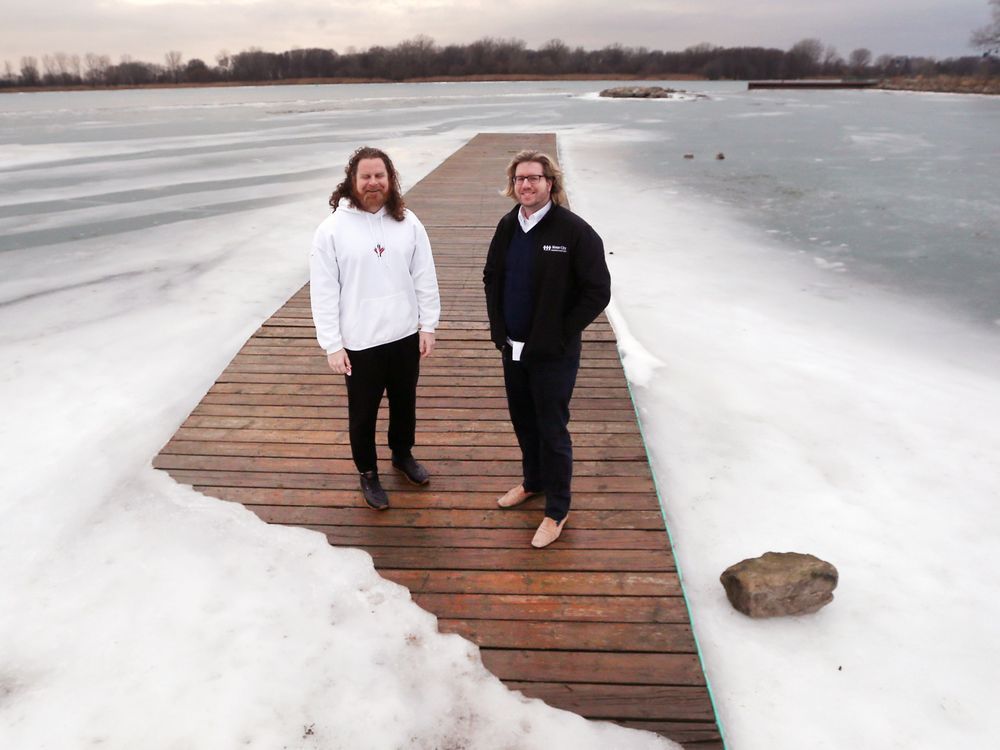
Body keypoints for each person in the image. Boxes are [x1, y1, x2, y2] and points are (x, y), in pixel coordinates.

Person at [483, 150, 611, 548]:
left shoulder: (574, 231)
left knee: (552, 430)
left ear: (550, 183)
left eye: (534, 178)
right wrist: (498, 330)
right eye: (520, 178)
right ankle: (533, 482)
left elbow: (597, 291)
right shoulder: (508, 226)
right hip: (514, 349)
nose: (526, 185)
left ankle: (557, 510)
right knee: (523, 421)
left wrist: (560, 334)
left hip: (553, 353)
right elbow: (491, 277)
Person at [310, 146, 440, 510]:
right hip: (359, 342)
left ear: (390, 179)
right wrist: (332, 345)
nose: (373, 183)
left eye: (379, 176)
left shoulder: (408, 222)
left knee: (405, 403)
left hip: (403, 335)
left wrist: (427, 324)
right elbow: (323, 291)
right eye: (365, 176)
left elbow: (424, 276)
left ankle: (402, 455)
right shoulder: (332, 231)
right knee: (363, 413)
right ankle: (368, 472)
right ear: (352, 181)